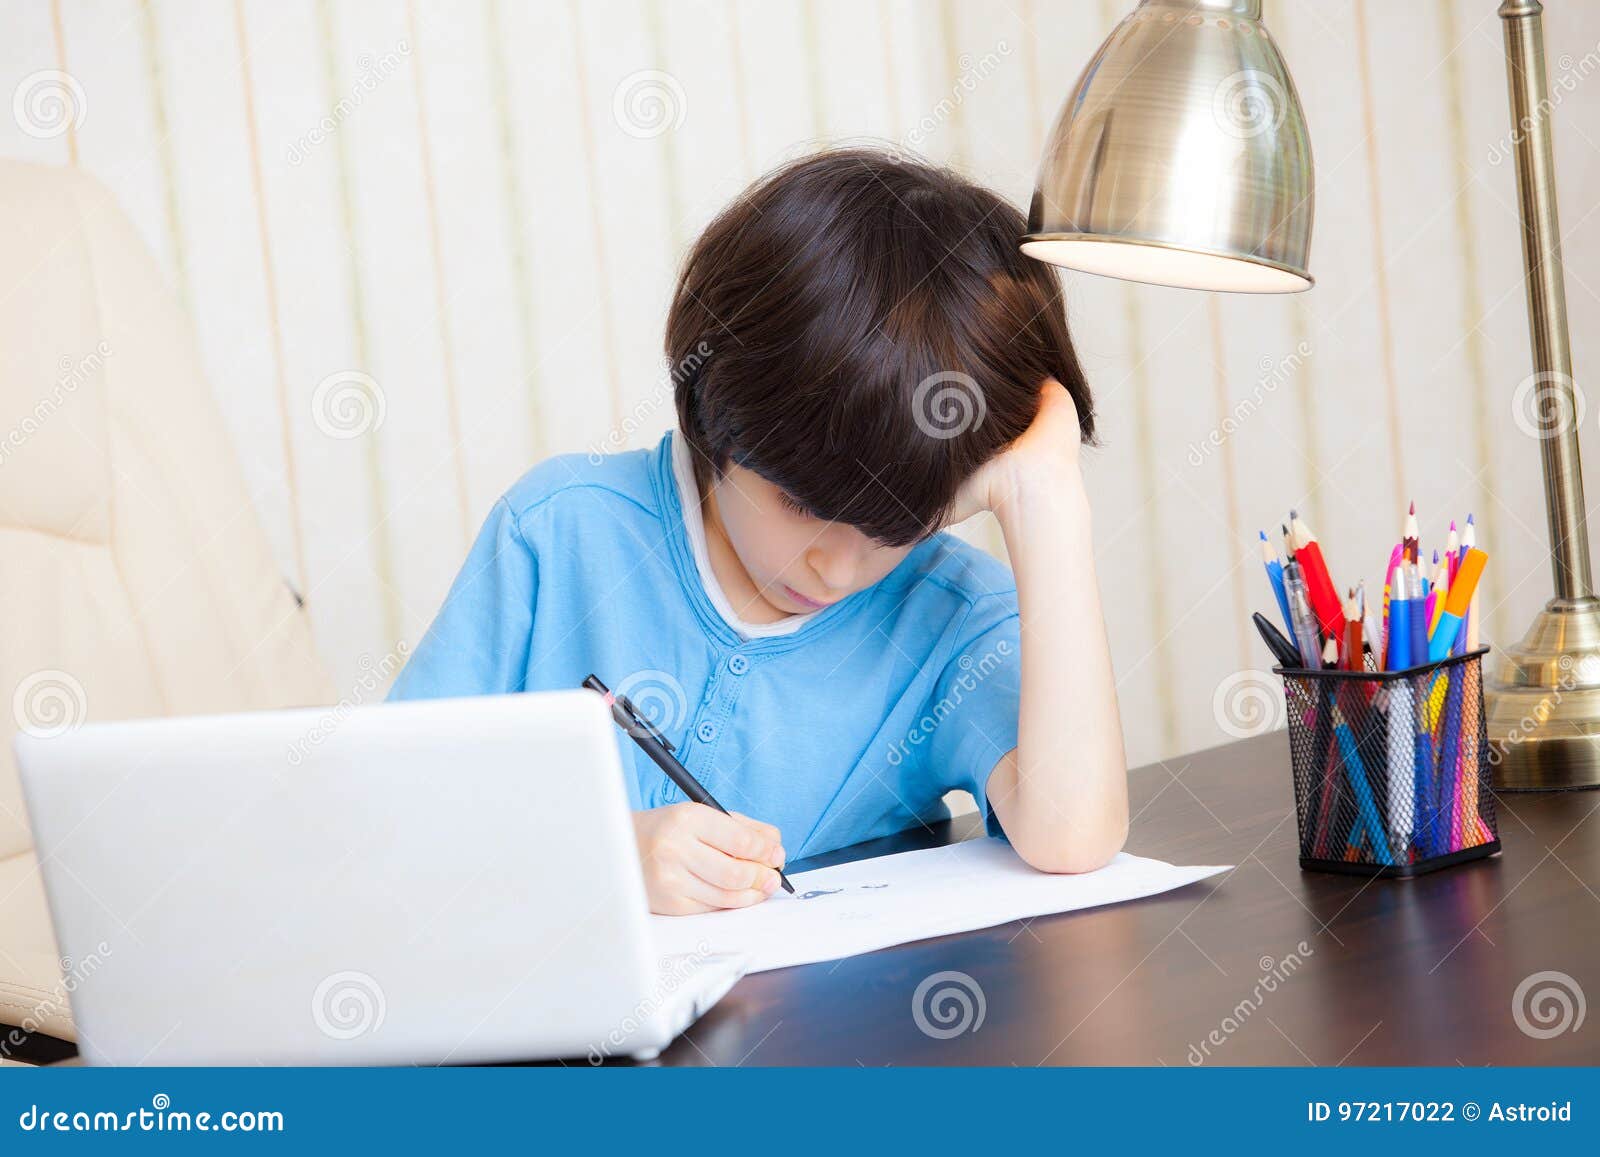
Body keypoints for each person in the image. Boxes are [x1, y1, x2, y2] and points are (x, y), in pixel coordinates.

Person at [390, 146, 1128, 914]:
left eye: (897, 526)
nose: (837, 569)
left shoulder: (949, 613)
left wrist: (1049, 502)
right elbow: (385, 820)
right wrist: (599, 858)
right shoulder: (560, 533)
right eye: (802, 505)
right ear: (718, 415)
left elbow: (1071, 835)